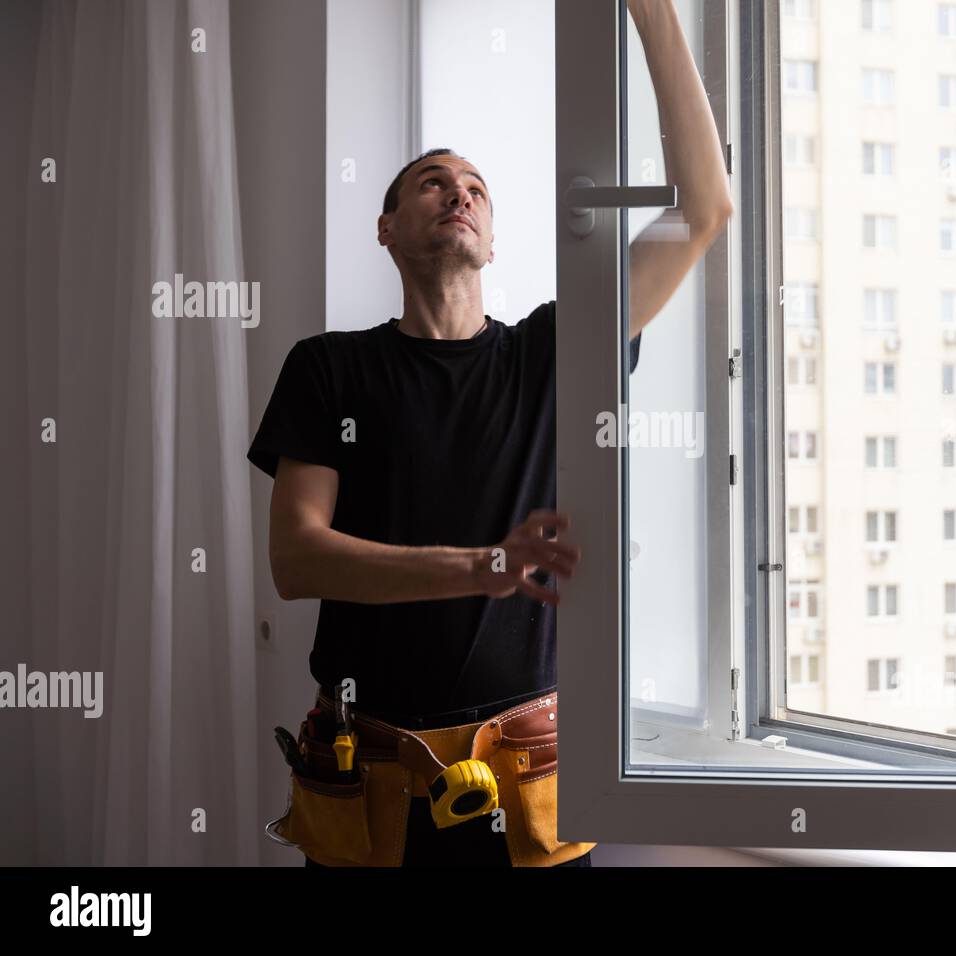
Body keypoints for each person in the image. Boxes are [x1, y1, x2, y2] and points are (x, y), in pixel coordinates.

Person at [247, 0, 732, 867]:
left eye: (475, 187)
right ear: (388, 229)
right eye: (433, 181)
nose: (459, 192)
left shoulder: (551, 352)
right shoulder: (328, 369)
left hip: (526, 780)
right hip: (370, 789)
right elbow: (297, 560)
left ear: (494, 242)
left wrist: (654, 14)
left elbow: (704, 211)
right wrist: (484, 566)